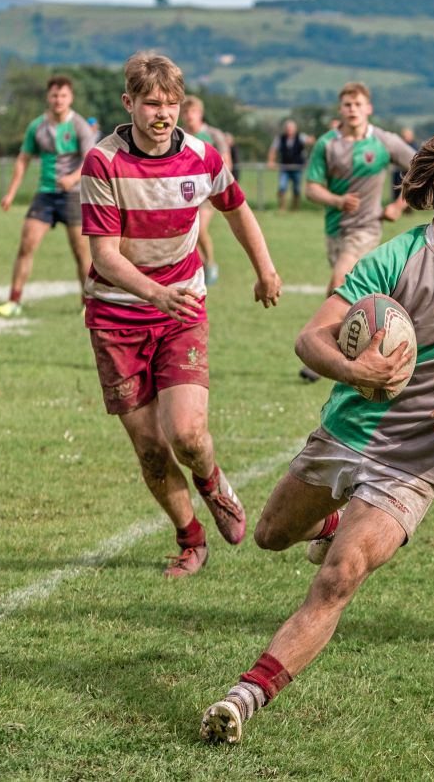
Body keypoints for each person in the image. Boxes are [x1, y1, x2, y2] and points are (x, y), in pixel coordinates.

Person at [199, 122, 434, 744]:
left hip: (416, 462)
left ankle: (244, 696)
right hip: (345, 434)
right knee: (272, 535)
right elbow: (311, 336)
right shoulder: (395, 259)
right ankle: (333, 520)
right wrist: (350, 367)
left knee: (339, 577)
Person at [80, 51, 282, 578]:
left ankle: (213, 483)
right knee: (150, 448)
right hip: (117, 317)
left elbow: (236, 208)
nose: (162, 113)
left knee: (187, 434)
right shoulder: (103, 162)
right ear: (129, 104)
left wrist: (264, 268)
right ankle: (191, 539)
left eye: (170, 103)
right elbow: (104, 255)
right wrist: (154, 293)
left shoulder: (202, 157)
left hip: (181, 309)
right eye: (151, 103)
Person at [299, 82, 416, 382]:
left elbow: (419, 168)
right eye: (347, 105)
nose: (352, 109)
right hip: (335, 229)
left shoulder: (383, 141)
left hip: (366, 229)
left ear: (369, 108)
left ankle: (322, 357)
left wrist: (399, 204)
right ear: (340, 109)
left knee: (339, 283)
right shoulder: (327, 144)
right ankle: (366, 348)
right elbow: (311, 188)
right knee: (353, 295)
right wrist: (337, 201)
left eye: (358, 104)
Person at [0, 75, 96, 318]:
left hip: (73, 195)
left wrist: (72, 178)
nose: (58, 100)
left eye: (63, 96)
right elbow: (23, 159)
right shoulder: (37, 126)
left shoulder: (80, 126)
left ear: (70, 98)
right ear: (47, 97)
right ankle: (14, 301)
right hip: (45, 195)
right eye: (54, 95)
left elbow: (91, 160)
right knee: (26, 244)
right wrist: (10, 193)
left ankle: (89, 304)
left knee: (81, 251)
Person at [180, 96, 231, 286]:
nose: (188, 116)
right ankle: (199, 265)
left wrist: (219, 187)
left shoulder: (213, 135)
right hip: (184, 192)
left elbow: (226, 163)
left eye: (192, 111)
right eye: (185, 112)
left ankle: (210, 264)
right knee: (187, 234)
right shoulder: (179, 135)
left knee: (200, 229)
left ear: (200, 114)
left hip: (207, 192)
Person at [266, 119, 312, 212]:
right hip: (284, 167)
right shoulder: (280, 138)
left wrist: (311, 141)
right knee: (282, 187)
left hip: (297, 167)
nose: (289, 130)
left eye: (291, 128)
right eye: (288, 128)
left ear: (295, 129)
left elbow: (310, 141)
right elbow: (273, 150)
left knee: (296, 189)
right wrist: (271, 161)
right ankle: (282, 208)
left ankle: (295, 208)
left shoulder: (301, 137)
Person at [389, 126, 418, 203]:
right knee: (396, 189)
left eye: (406, 136)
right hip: (398, 171)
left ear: (411, 136)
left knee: (408, 189)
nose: (404, 138)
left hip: (408, 172)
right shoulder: (399, 145)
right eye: (403, 136)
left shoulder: (414, 146)